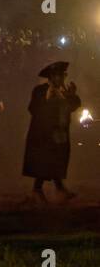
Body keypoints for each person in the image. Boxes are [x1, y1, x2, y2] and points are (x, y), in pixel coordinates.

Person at [23, 61, 82, 204]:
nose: (61, 79)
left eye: (63, 76)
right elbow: (33, 109)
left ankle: (54, 190)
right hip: (43, 134)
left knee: (55, 161)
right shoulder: (40, 90)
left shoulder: (65, 91)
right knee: (46, 162)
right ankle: (41, 190)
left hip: (60, 134)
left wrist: (72, 95)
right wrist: (48, 101)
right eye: (58, 76)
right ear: (51, 77)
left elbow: (74, 106)